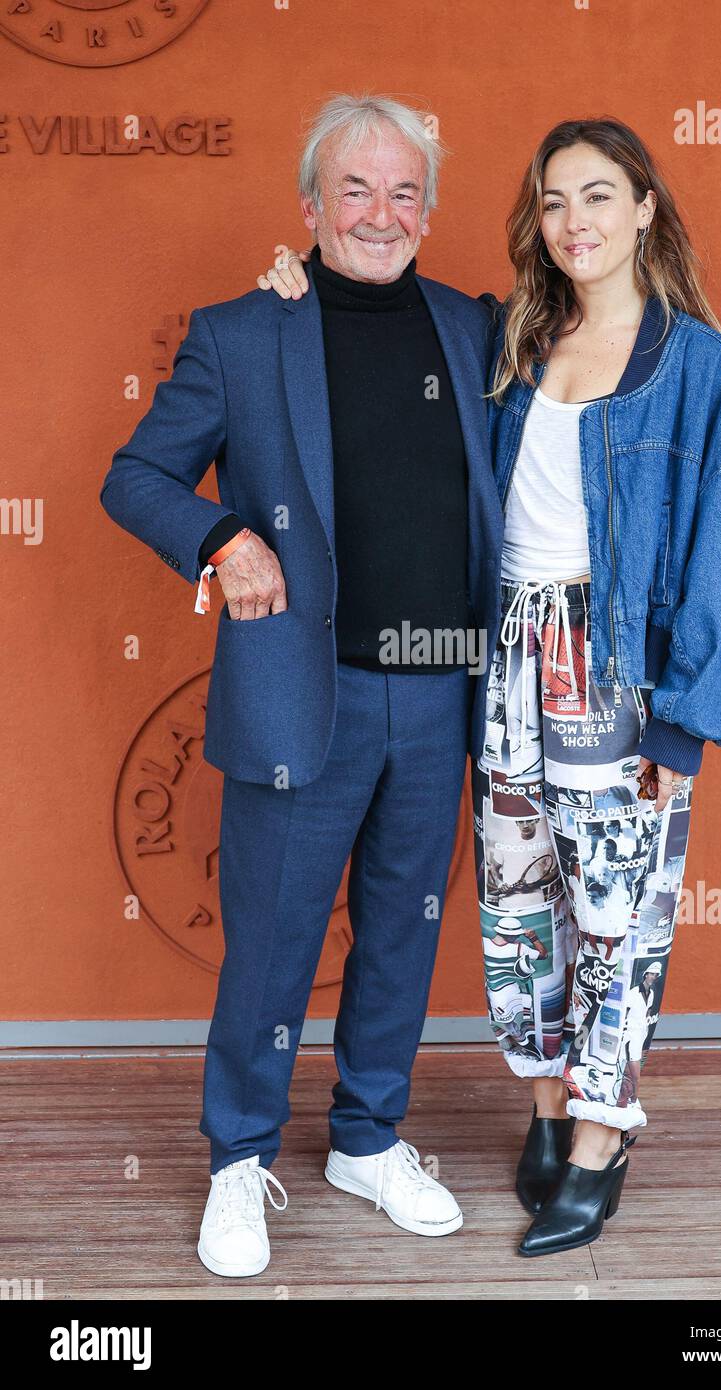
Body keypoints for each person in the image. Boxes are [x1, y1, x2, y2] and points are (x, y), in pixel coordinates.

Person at [259, 116, 721, 1259]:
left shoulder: (691, 360)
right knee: (519, 910)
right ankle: (545, 1108)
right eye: (552, 201)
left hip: (613, 671)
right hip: (505, 662)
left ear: (645, 207)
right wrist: (297, 289)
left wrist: (685, 721)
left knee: (617, 918)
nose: (574, 221)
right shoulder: (513, 339)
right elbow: (382, 329)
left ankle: (599, 1138)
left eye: (598, 196)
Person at [99, 93, 503, 1278]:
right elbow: (136, 478)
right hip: (300, 688)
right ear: (311, 205)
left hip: (438, 689)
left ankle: (370, 1138)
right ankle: (239, 1160)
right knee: (272, 939)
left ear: (428, 207)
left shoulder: (471, 326)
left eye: (404, 190)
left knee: (402, 932)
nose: (381, 212)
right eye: (356, 189)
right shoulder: (242, 331)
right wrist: (224, 538)